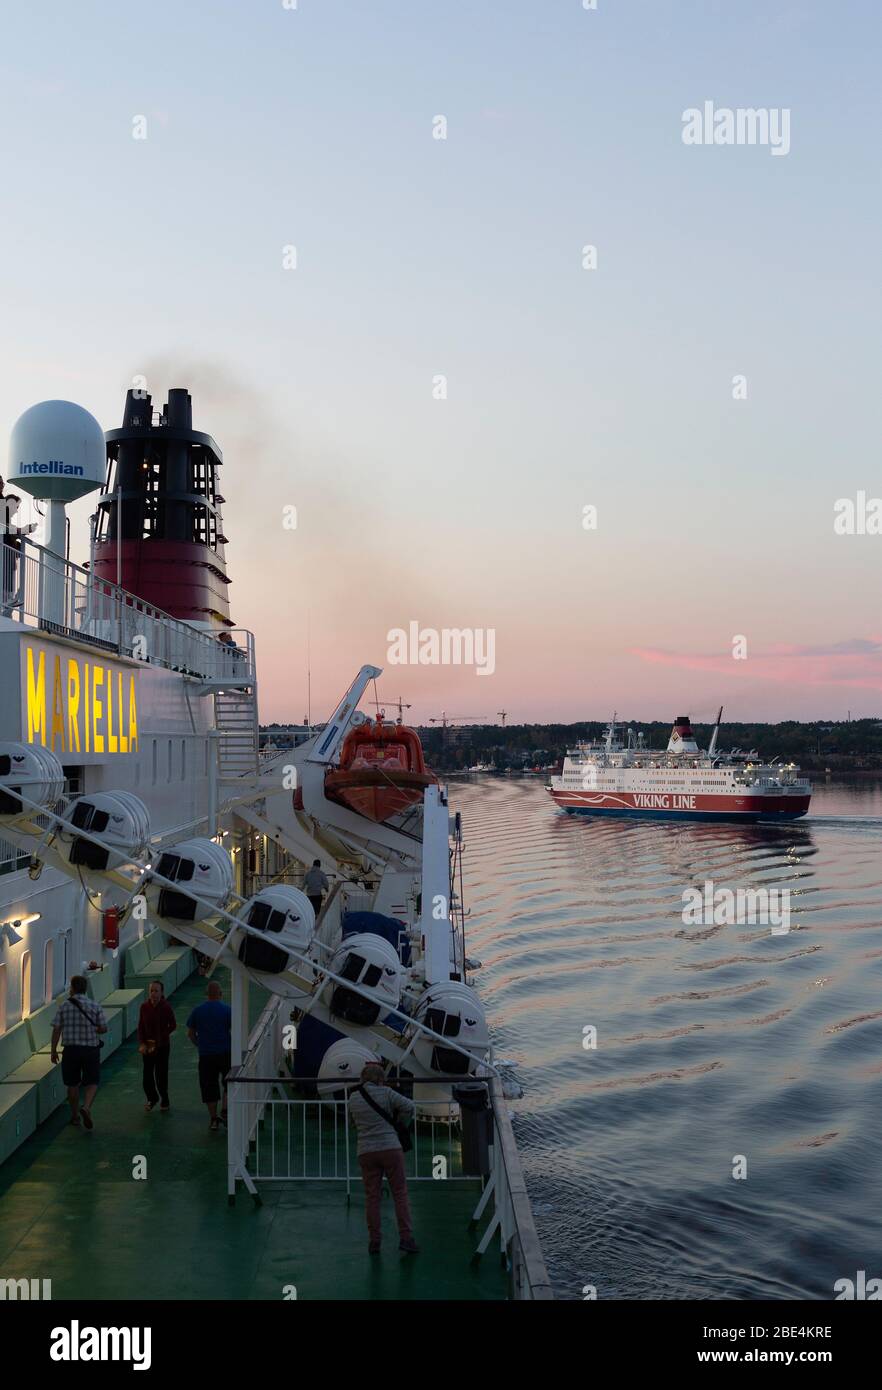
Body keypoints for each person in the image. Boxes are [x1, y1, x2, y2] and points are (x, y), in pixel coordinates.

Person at [349, 1062, 418, 1255]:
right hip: (390, 1148)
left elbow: (352, 1122)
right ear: (380, 1079)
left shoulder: (353, 1097)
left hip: (366, 1151)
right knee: (400, 1194)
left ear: (362, 1079)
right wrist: (398, 1122)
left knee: (372, 1197)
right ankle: (405, 1238)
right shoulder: (387, 1093)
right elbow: (410, 1106)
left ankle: (374, 1241)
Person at [50, 976, 109, 1131]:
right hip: (90, 1050)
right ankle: (87, 1106)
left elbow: (56, 1029)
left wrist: (53, 1050)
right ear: (85, 988)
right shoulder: (94, 1005)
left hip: (71, 1050)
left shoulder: (64, 1006)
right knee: (92, 1081)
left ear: (73, 988)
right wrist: (94, 1029)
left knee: (72, 1084)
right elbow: (103, 1028)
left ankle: (75, 1116)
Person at [186, 981, 232, 1131]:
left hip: (206, 1056)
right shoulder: (227, 1010)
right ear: (220, 993)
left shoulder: (197, 1011)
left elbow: (191, 1033)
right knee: (229, 1083)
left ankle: (213, 1119)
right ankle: (225, 1110)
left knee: (209, 1086)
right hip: (225, 1053)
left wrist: (200, 1044)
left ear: (206, 994)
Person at [138, 981, 177, 1112]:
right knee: (147, 1076)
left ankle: (164, 1099)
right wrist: (142, 1042)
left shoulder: (166, 1007)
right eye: (151, 991)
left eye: (156, 991)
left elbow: (173, 1025)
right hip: (148, 1046)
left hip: (162, 1046)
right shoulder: (144, 1007)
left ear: (162, 992)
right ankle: (152, 1098)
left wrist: (161, 1037)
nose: (153, 994)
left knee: (161, 1075)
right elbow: (141, 1026)